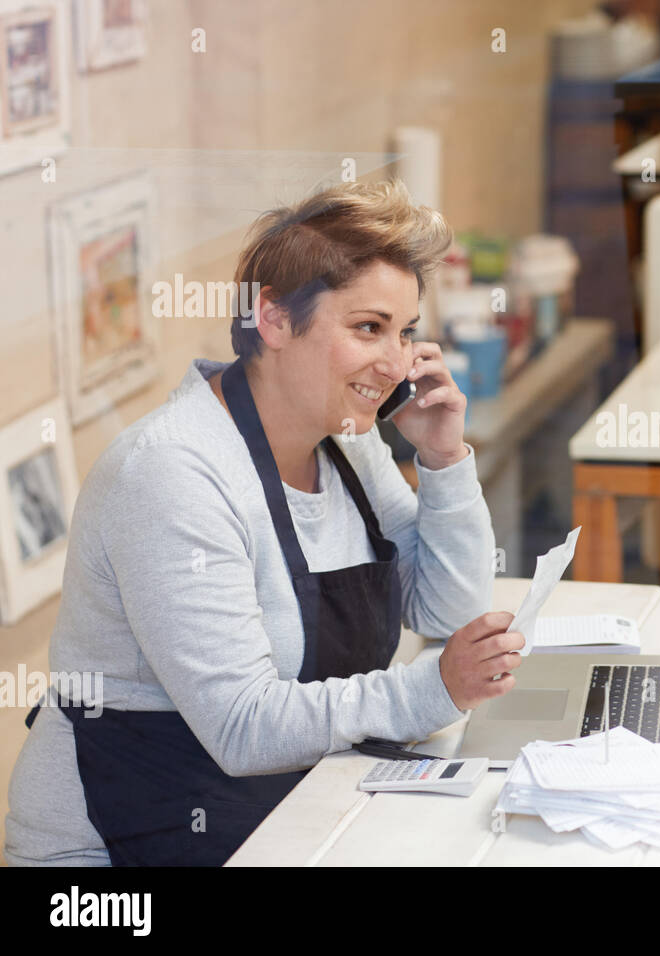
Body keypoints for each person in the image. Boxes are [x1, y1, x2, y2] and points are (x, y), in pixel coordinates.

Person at [4, 181, 523, 866]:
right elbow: (244, 726)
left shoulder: (347, 441)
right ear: (274, 320)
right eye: (368, 328)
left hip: (279, 807)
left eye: (405, 333)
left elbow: (446, 608)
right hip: (120, 845)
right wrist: (433, 689)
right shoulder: (172, 474)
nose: (397, 363)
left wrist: (442, 457)